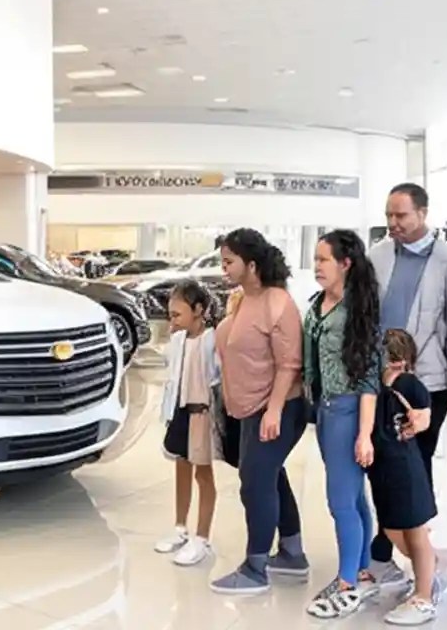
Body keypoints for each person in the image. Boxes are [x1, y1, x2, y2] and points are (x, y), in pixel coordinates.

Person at [366, 182, 447, 588]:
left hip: (429, 382)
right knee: (384, 462)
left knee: (415, 463)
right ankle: (387, 548)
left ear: (422, 213)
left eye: (401, 215)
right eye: (389, 215)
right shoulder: (378, 255)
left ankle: (411, 551)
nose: (393, 223)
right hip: (381, 379)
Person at [209, 229, 308, 595]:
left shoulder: (278, 302)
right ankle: (293, 554)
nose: (224, 268)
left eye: (229, 261)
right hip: (247, 408)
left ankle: (255, 567)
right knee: (270, 477)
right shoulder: (239, 299)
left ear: (251, 264)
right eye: (222, 261)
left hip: (277, 408)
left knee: (255, 484)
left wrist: (274, 411)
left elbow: (289, 364)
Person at [303, 229, 381, 620]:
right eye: (315, 259)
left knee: (340, 501)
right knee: (353, 498)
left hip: (348, 413)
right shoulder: (318, 303)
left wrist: (364, 435)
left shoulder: (359, 311)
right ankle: (363, 570)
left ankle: (348, 582)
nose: (317, 266)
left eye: (323, 260)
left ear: (345, 263)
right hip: (324, 411)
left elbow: (369, 379)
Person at [370, 329, 440, 626]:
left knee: (414, 532)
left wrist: (420, 421)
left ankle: (424, 594)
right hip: (386, 470)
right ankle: (428, 575)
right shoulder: (375, 387)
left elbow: (424, 414)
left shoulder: (408, 385)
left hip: (406, 469)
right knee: (395, 529)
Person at [154, 281, 223, 567]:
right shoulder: (178, 340)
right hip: (180, 413)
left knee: (203, 475)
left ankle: (202, 537)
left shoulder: (214, 339)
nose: (173, 321)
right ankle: (180, 527)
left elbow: (219, 378)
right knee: (182, 468)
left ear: (198, 310)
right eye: (170, 315)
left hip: (203, 415)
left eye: (177, 314)